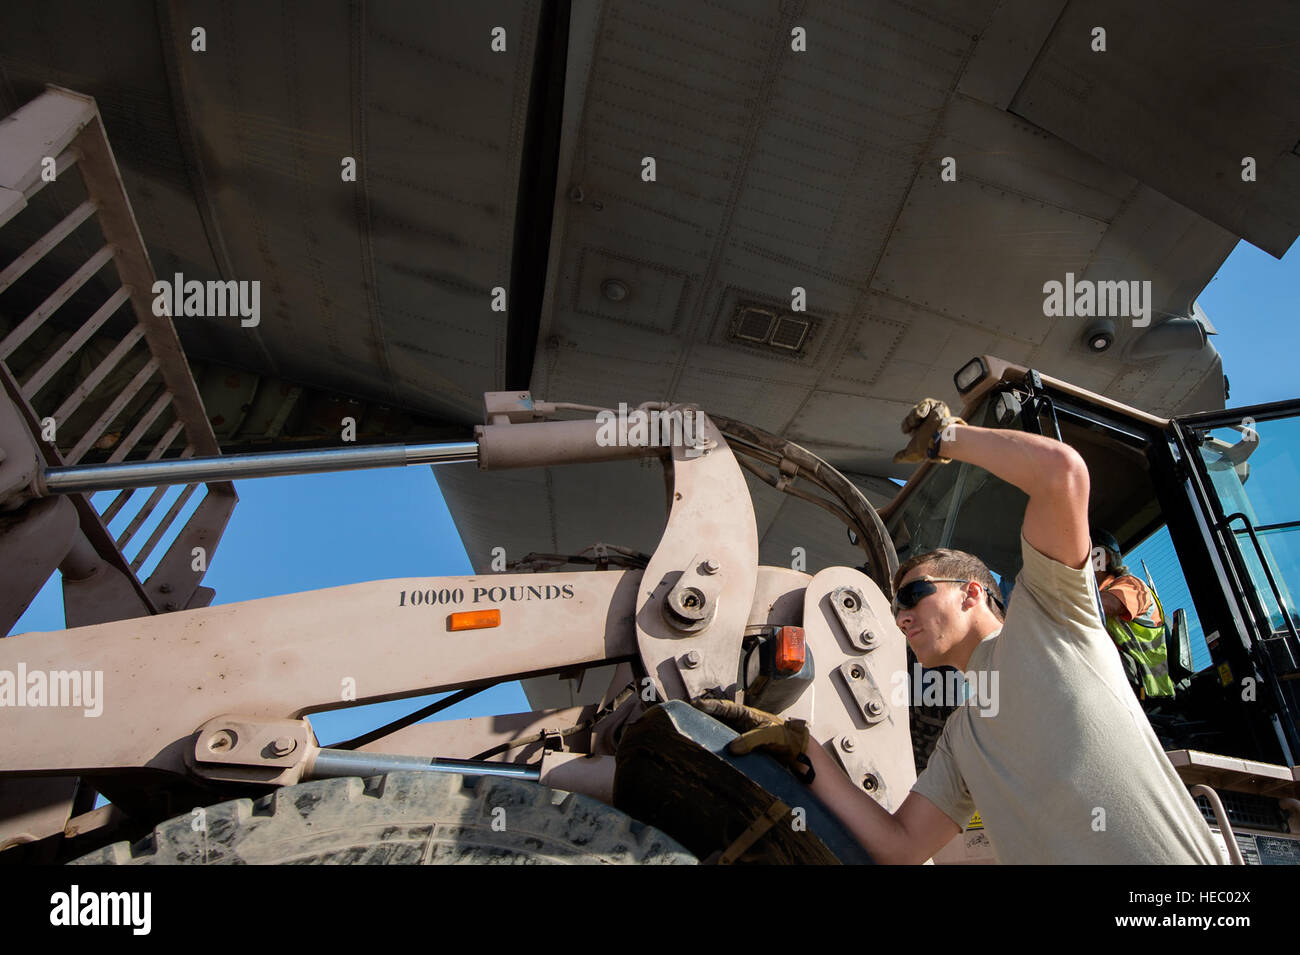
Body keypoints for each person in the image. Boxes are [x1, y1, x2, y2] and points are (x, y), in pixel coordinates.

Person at [699, 398, 1221, 864]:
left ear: (972, 593)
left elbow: (1062, 472)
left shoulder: (1053, 621)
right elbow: (901, 847)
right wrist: (804, 748)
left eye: (911, 597)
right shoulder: (962, 741)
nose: (899, 618)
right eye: (893, 607)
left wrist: (949, 439)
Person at [1092, 529, 1175, 699]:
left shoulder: (1132, 586)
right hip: (1119, 691)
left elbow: (1104, 604)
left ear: (1103, 557)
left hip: (1147, 694)